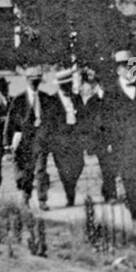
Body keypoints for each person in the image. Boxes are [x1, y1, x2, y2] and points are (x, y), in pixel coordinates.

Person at [98, 50, 136, 224]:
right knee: (129, 177)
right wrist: (107, 143)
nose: (129, 70)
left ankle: (132, 199)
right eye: (125, 67)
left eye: (132, 66)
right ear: (118, 70)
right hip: (122, 144)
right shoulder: (110, 93)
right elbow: (105, 121)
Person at [5, 67, 52, 208]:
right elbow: (10, 122)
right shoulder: (19, 100)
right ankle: (26, 197)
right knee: (27, 171)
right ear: (27, 81)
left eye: (37, 81)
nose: (35, 84)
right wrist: (7, 143)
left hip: (41, 140)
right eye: (32, 81)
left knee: (41, 170)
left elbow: (52, 120)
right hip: (25, 141)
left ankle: (42, 200)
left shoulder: (45, 98)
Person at [45, 67, 86, 207]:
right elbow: (50, 122)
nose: (66, 87)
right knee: (63, 169)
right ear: (59, 85)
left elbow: (83, 116)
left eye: (68, 84)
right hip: (60, 140)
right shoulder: (52, 100)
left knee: (79, 165)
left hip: (75, 137)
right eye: (63, 85)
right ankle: (70, 195)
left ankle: (71, 186)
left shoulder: (76, 98)